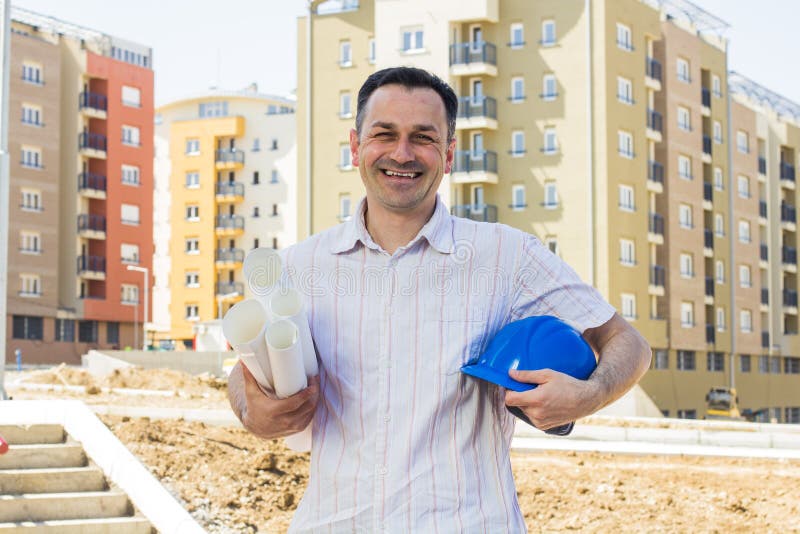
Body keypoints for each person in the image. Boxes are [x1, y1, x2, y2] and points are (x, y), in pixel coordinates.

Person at [228, 66, 651, 532]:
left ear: (449, 154)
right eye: (384, 134)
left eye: (423, 138)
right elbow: (245, 375)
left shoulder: (507, 256)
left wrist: (588, 396)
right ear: (355, 147)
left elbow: (627, 342)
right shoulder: (299, 267)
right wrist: (254, 413)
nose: (402, 153)